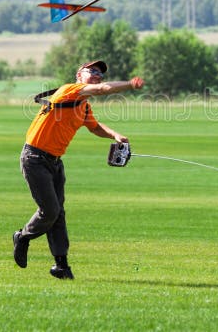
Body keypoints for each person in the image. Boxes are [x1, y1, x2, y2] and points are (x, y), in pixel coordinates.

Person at [13, 60, 144, 279]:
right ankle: (23, 237)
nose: (97, 75)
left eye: (100, 74)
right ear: (79, 75)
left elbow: (94, 127)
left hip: (55, 162)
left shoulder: (83, 106)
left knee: (58, 214)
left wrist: (114, 134)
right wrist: (130, 84)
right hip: (34, 158)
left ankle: (61, 266)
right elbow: (102, 90)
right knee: (50, 211)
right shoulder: (68, 91)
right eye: (91, 71)